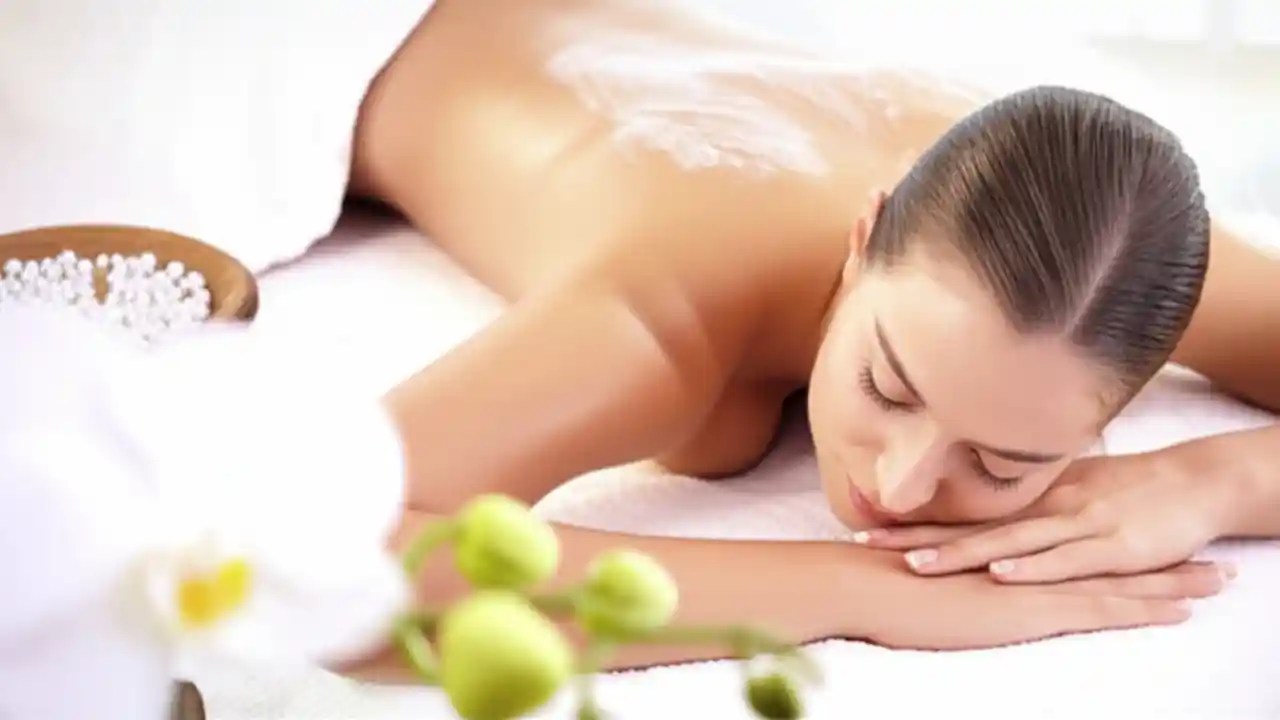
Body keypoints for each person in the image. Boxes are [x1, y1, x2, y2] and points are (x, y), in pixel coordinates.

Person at [7, 0, 1279, 676]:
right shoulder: (670, 314)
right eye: (887, 383)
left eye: (1002, 464)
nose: (898, 485)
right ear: (862, 237)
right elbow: (331, 569)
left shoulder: (1097, 246)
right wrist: (861, 595)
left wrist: (1206, 481)